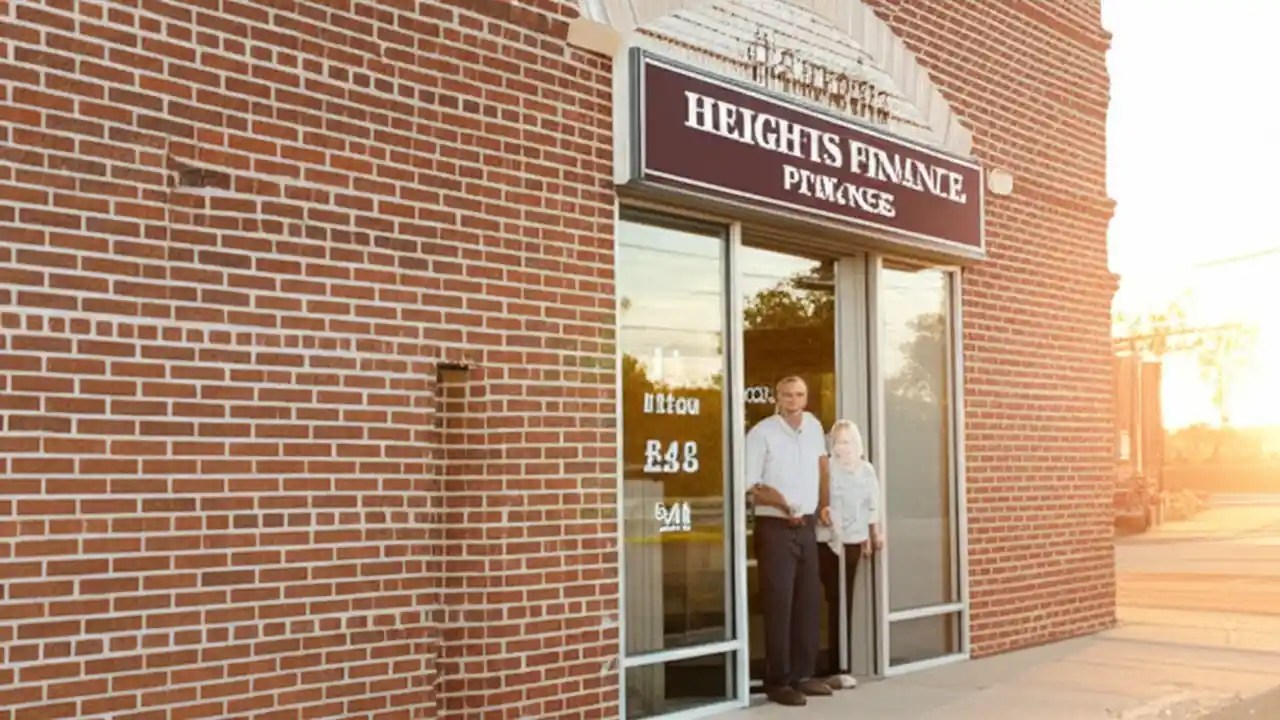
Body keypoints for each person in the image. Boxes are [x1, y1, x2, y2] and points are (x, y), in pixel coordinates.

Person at [745, 376, 832, 707]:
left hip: (807, 525)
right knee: (779, 604)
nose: (793, 400)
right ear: (776, 397)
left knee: (808, 601)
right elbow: (753, 484)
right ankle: (778, 680)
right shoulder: (762, 433)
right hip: (776, 527)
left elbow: (822, 467)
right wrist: (784, 505)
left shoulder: (812, 427)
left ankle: (803, 674)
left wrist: (824, 504)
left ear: (805, 399)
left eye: (799, 395)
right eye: (786, 395)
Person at [816, 420, 884, 690]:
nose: (842, 447)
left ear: (856, 444)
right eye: (837, 442)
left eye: (846, 442)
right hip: (827, 540)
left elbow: (872, 504)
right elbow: (820, 501)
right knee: (829, 598)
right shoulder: (826, 469)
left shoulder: (866, 470)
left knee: (844, 599)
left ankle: (841, 664)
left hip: (854, 540)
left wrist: (873, 533)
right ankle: (824, 662)